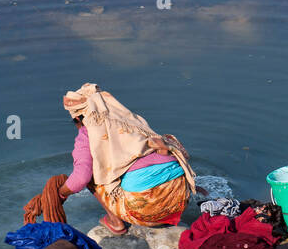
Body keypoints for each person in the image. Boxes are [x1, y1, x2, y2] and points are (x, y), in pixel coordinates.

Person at [57, 83, 195, 234]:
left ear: (78, 117)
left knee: (94, 173)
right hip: (180, 200)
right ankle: (164, 218)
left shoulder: (87, 134)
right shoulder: (131, 122)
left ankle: (115, 222)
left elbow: (81, 178)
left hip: (146, 212)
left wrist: (61, 193)